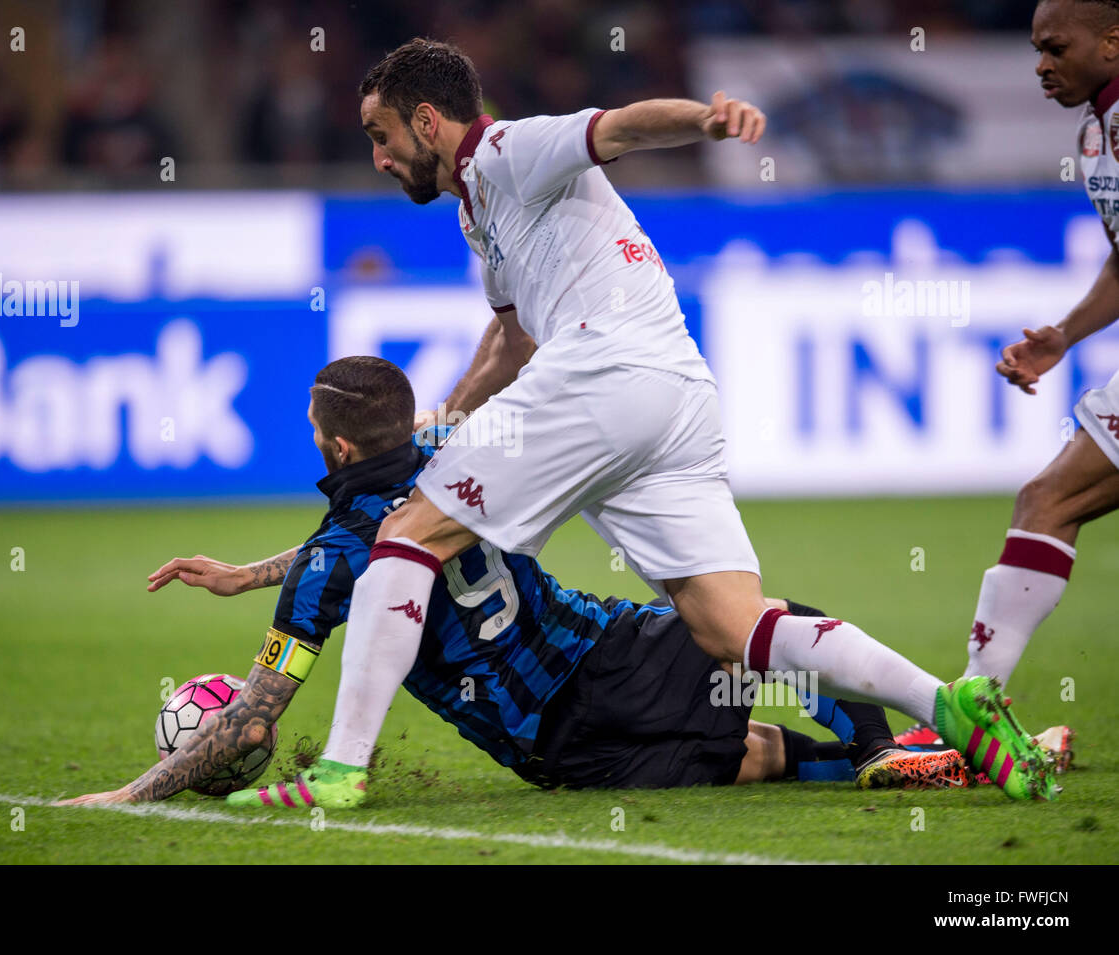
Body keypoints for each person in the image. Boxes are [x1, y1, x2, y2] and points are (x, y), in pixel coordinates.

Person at [274, 39, 1055, 804]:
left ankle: (341, 771)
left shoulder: (508, 150)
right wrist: (445, 418)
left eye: (381, 136)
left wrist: (706, 121)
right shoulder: (482, 216)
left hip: (603, 373)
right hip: (676, 394)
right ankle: (946, 703)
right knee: (733, 627)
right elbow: (512, 338)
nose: (378, 157)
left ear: (426, 119)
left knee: (407, 535)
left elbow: (616, 127)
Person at [55, 358, 972, 808]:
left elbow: (254, 719)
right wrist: (247, 576)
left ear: (334, 445)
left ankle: (881, 748)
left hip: (546, 740)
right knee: (753, 659)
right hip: (604, 650)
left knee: (746, 717)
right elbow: (378, 546)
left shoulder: (335, 561)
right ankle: (912, 742)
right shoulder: (462, 460)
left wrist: (133, 794)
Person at [899, 0, 1115, 755]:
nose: (1040, 63)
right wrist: (1065, 334)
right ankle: (975, 706)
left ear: (1113, 40)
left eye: (1056, 46)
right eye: (1034, 48)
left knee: (1047, 499)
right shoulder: (1095, 136)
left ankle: (971, 713)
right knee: (1047, 499)